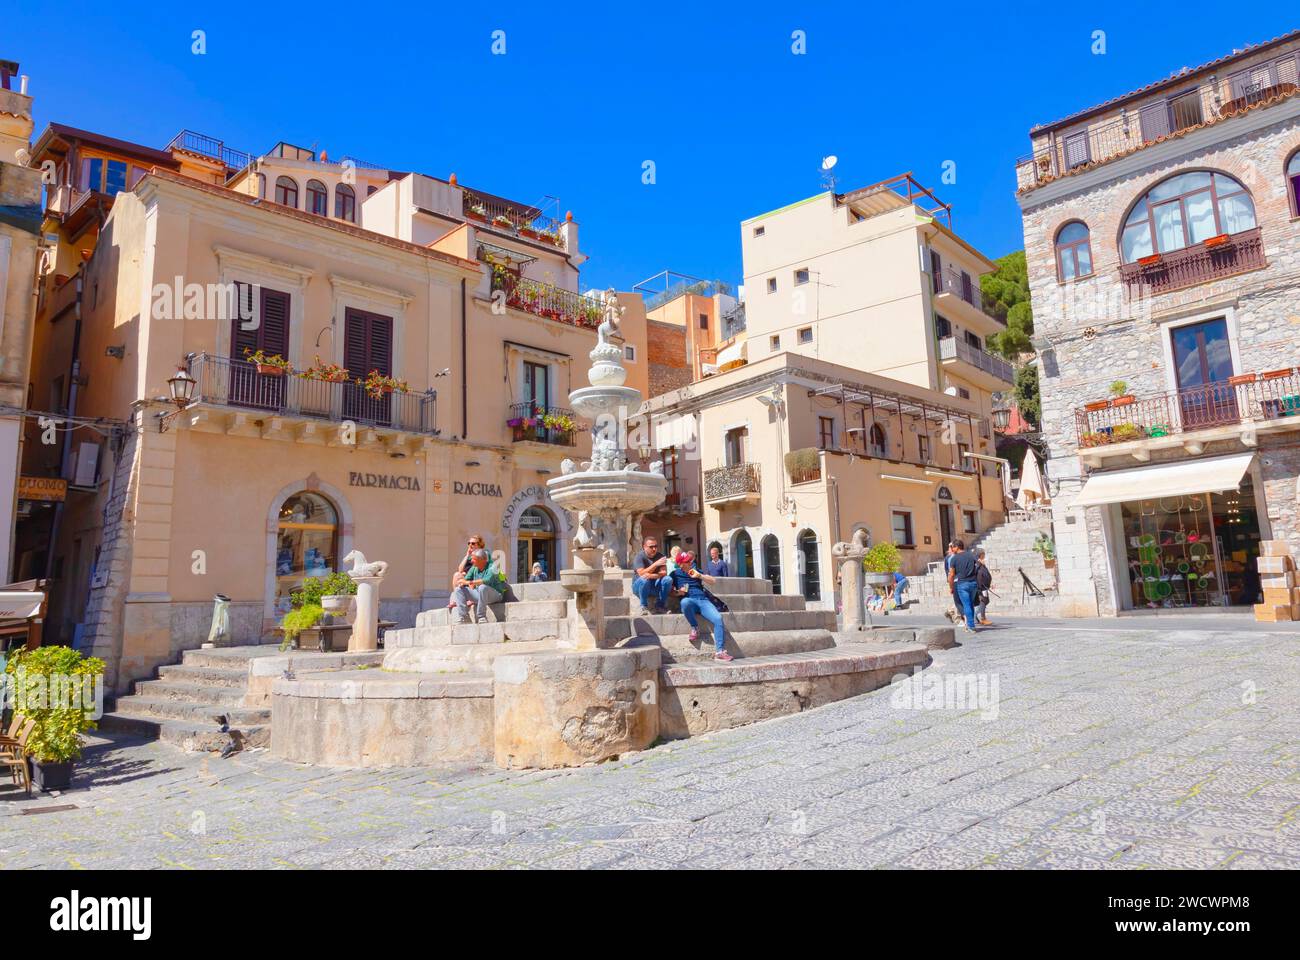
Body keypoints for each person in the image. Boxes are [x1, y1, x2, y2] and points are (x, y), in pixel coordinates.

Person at [667, 551, 733, 662]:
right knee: (685, 602)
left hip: (703, 600)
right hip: (689, 600)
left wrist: (700, 576)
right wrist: (679, 592)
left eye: (689, 560)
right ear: (680, 564)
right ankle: (694, 627)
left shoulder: (696, 571)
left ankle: (720, 652)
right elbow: (670, 592)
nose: (690, 562)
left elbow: (713, 581)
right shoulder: (675, 574)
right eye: (687, 561)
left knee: (718, 618)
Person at [452, 548, 507, 624]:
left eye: (474, 559)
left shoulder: (493, 567)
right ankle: (464, 617)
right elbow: (466, 579)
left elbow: (486, 580)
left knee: (482, 587)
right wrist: (461, 583)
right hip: (480, 594)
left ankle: (481, 616)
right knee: (458, 589)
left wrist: (467, 582)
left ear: (482, 560)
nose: (471, 561)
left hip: (495, 595)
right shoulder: (474, 568)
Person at [946, 538, 980, 633]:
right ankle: (971, 624)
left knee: (966, 605)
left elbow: (951, 574)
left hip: (962, 583)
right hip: (973, 583)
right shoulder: (971, 555)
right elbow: (978, 565)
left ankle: (971, 626)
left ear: (956, 547)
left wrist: (951, 587)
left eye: (952, 547)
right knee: (971, 604)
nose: (952, 549)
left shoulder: (954, 558)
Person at [631, 536, 672, 615]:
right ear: (644, 547)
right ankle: (643, 606)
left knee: (668, 579)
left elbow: (664, 573)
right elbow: (641, 574)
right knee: (644, 580)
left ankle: (660, 605)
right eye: (651, 547)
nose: (654, 549)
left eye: (656, 546)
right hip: (639, 587)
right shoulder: (639, 557)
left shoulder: (660, 556)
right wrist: (656, 564)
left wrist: (650, 575)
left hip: (654, 586)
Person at [448, 534, 487, 608]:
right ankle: (457, 599)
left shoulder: (482, 554)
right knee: (456, 575)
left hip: (476, 578)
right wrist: (467, 555)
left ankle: (471, 599)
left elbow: (479, 568)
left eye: (473, 543)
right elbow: (460, 569)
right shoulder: (469, 556)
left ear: (479, 545)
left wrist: (466, 574)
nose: (470, 545)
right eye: (469, 543)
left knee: (467, 576)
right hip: (466, 579)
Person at [974, 548, 993, 626]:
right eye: (983, 554)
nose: (984, 555)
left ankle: (975, 615)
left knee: (986, 601)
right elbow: (977, 574)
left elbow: (986, 574)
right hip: (980, 586)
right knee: (983, 600)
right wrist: (979, 564)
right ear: (980, 554)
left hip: (984, 586)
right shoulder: (977, 563)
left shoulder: (981, 563)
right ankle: (982, 617)